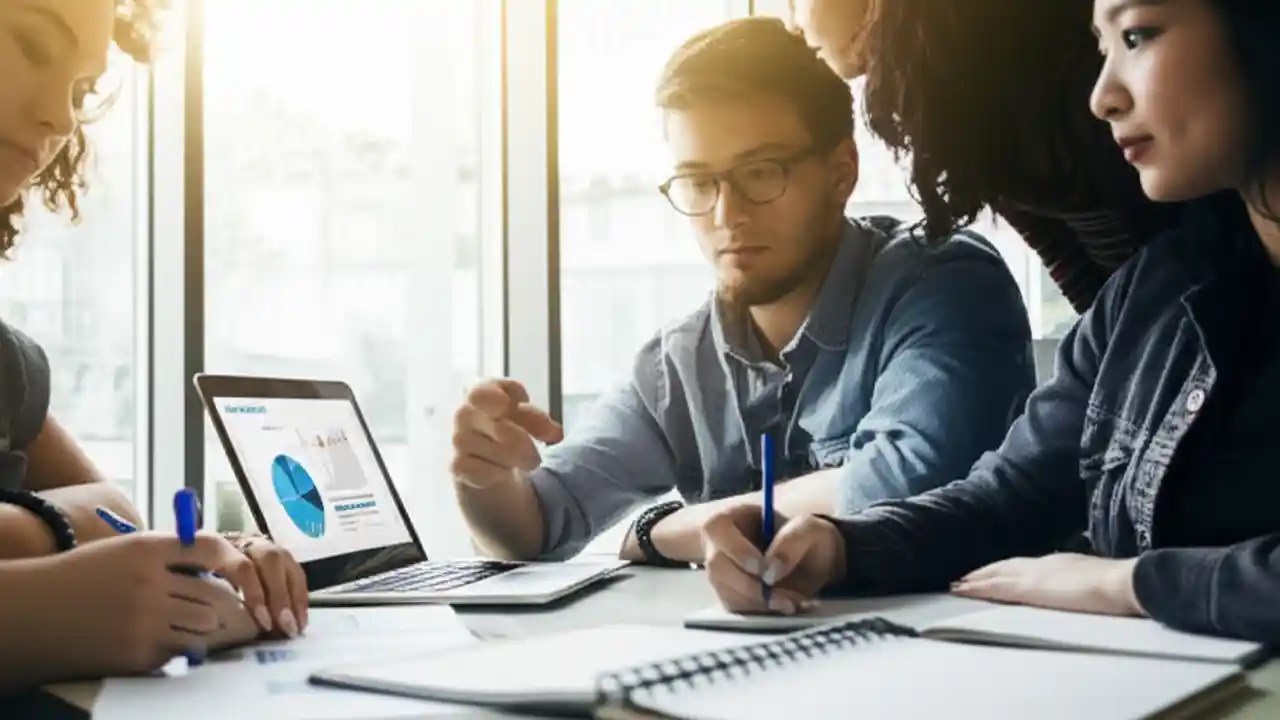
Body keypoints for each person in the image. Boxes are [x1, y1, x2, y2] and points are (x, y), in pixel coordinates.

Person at [701, 0, 1280, 644]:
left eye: (1138, 36)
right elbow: (1007, 497)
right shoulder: (1151, 291)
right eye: (1100, 47)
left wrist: (1129, 584)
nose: (1102, 98)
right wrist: (836, 547)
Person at [449, 17, 1034, 566]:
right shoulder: (680, 363)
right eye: (699, 180)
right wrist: (484, 479)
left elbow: (906, 484)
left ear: (841, 172)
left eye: (761, 172)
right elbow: (537, 525)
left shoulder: (943, 283)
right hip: (761, 655)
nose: (728, 214)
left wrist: (663, 531)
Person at [0, 0, 307, 690]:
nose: (61, 116)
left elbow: (119, 510)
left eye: (81, 90)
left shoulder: (7, 365)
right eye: (31, 45)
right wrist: (42, 600)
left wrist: (223, 554)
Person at [788, 0, 1180, 312]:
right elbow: (1061, 254)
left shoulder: (1009, 54)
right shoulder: (934, 90)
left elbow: (1135, 249)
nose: (792, 19)